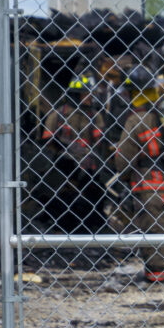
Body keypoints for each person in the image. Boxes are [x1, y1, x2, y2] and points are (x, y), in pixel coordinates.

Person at [114, 65, 164, 282]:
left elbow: (123, 160)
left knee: (155, 231)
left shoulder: (135, 120)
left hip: (151, 187)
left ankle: (158, 274)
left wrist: (125, 177)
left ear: (133, 93)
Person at [41, 75, 109, 232]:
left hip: (87, 172)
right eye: (86, 94)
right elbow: (48, 144)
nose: (90, 97)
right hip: (63, 172)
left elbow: (100, 144)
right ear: (76, 95)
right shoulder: (57, 115)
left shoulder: (95, 116)